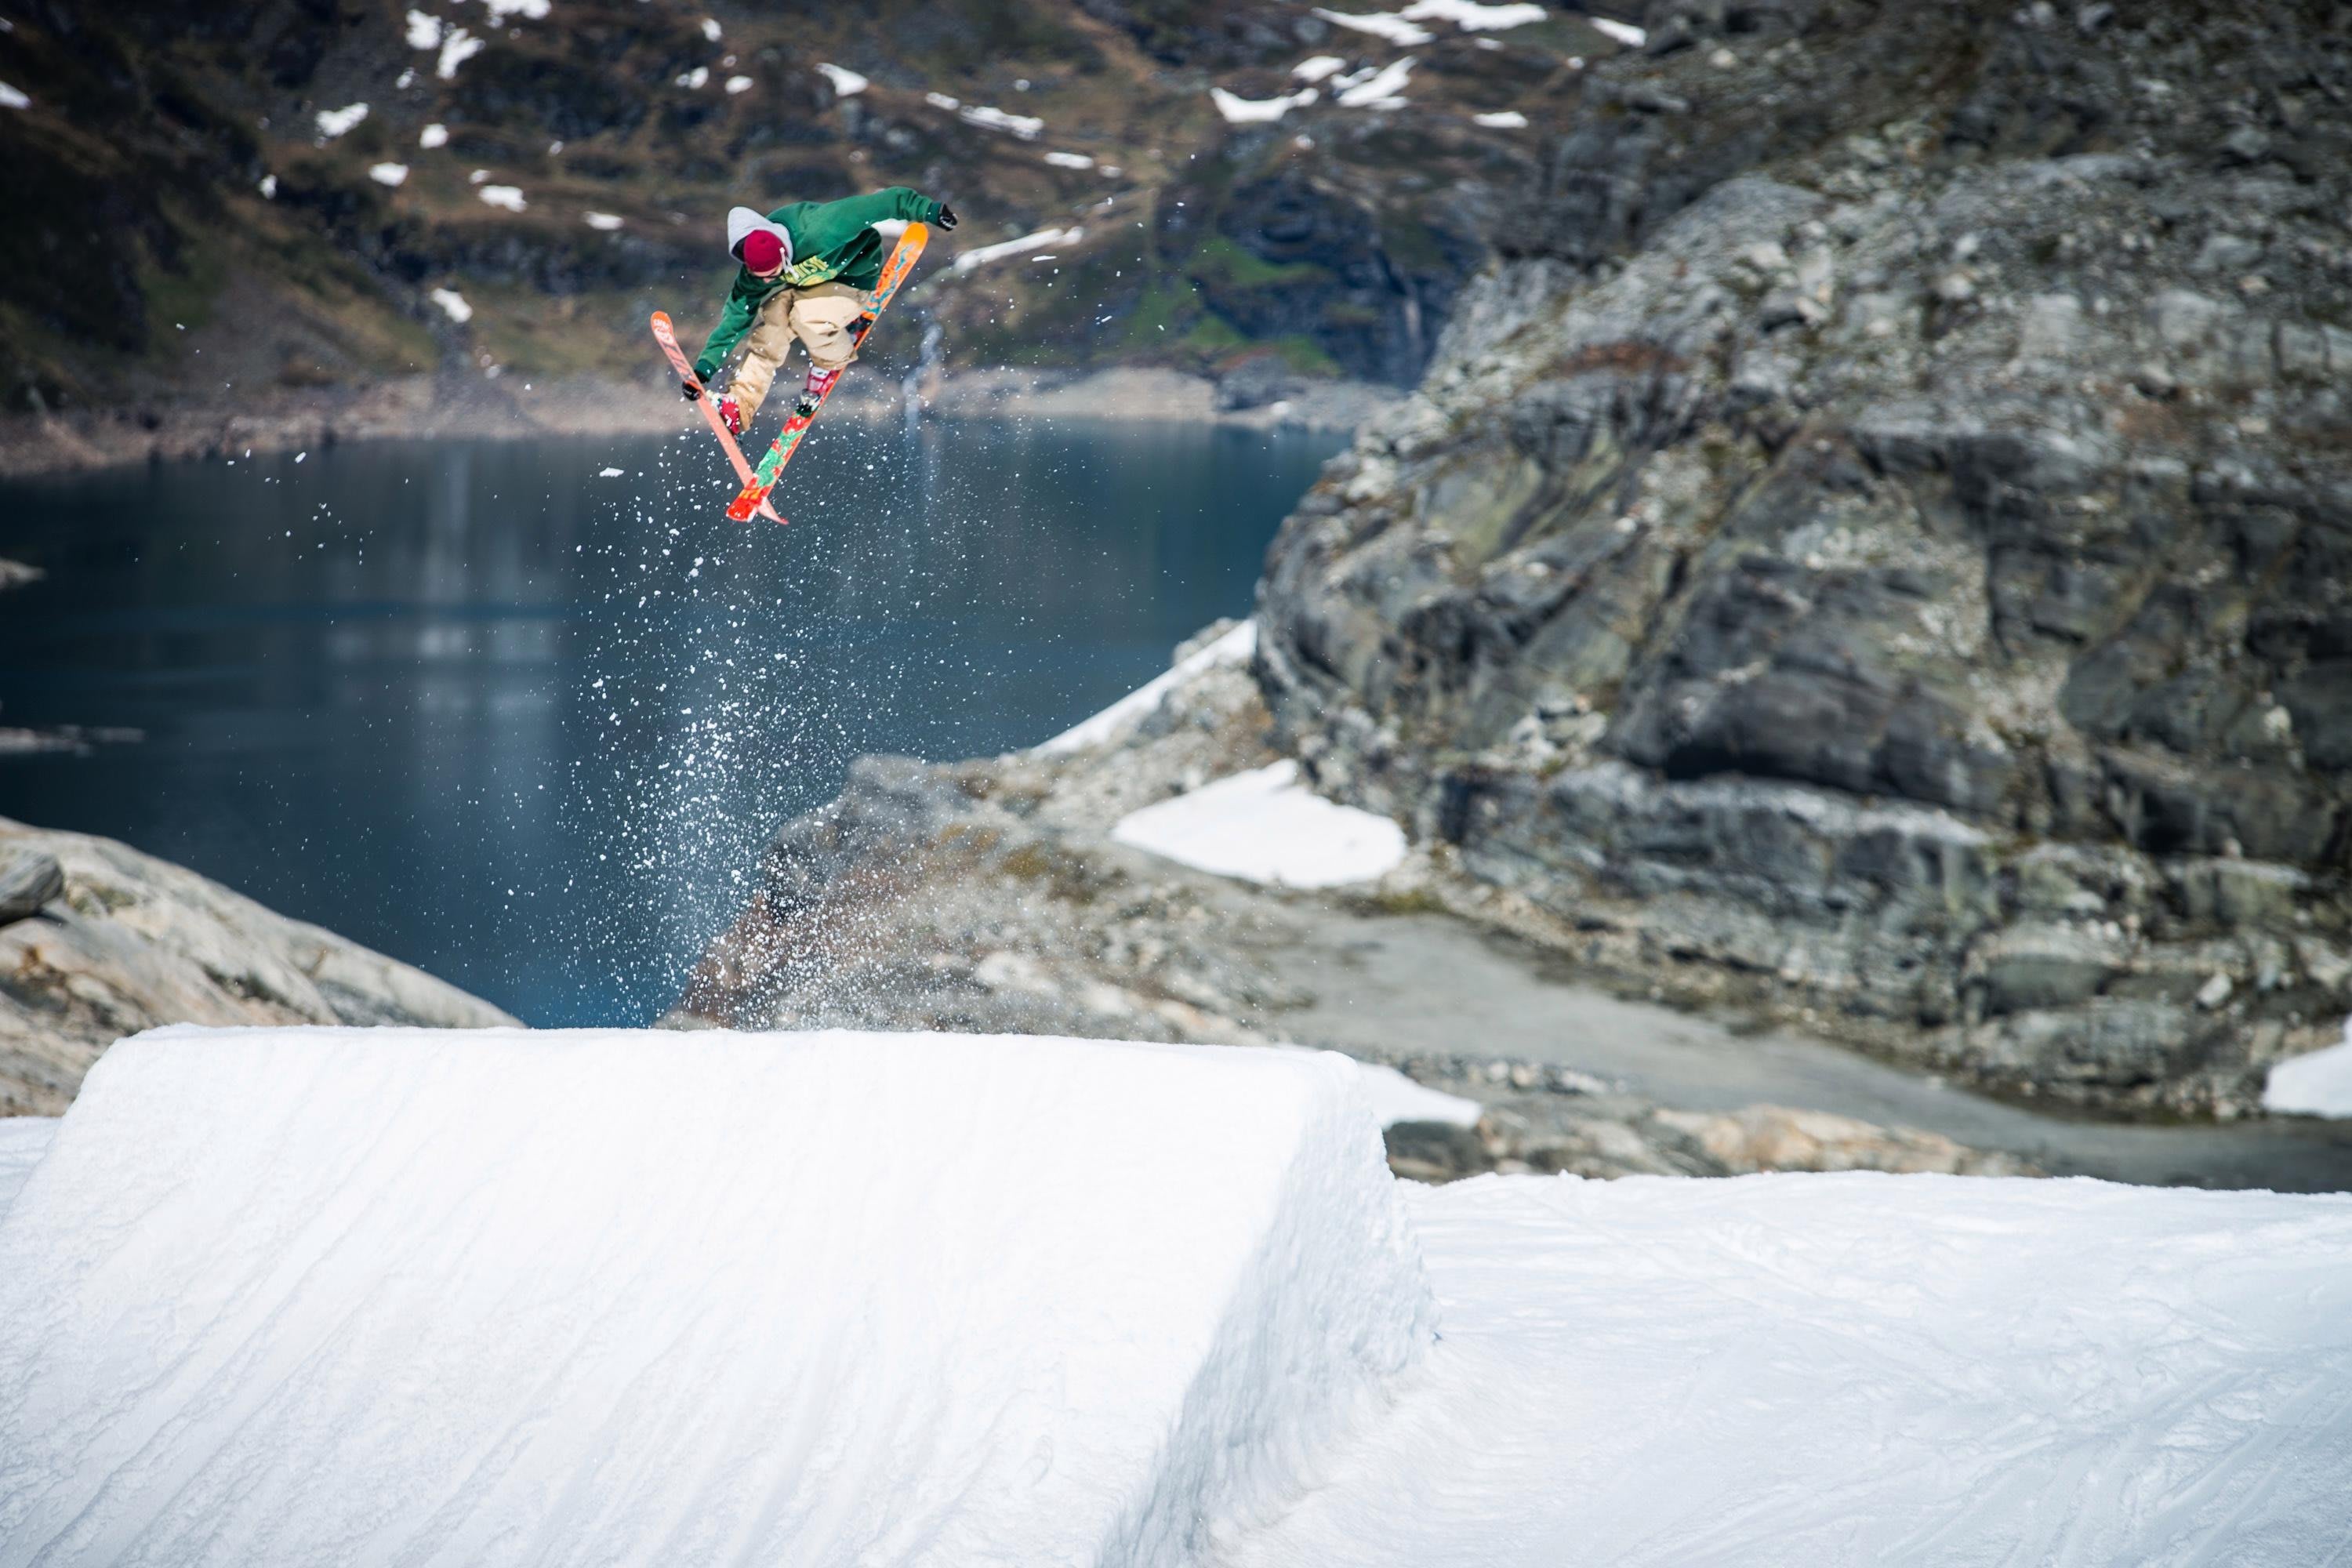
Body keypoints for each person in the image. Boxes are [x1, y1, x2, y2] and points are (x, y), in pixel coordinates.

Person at [683, 187, 957, 434]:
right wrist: (704, 369)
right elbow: (735, 318)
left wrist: (930, 210)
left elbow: (882, 203)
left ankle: (830, 362)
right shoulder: (753, 273)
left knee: (807, 318)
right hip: (809, 286)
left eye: (773, 274)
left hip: (853, 278)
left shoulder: (821, 228)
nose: (767, 281)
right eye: (761, 277)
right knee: (771, 326)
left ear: (783, 255)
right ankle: (739, 405)